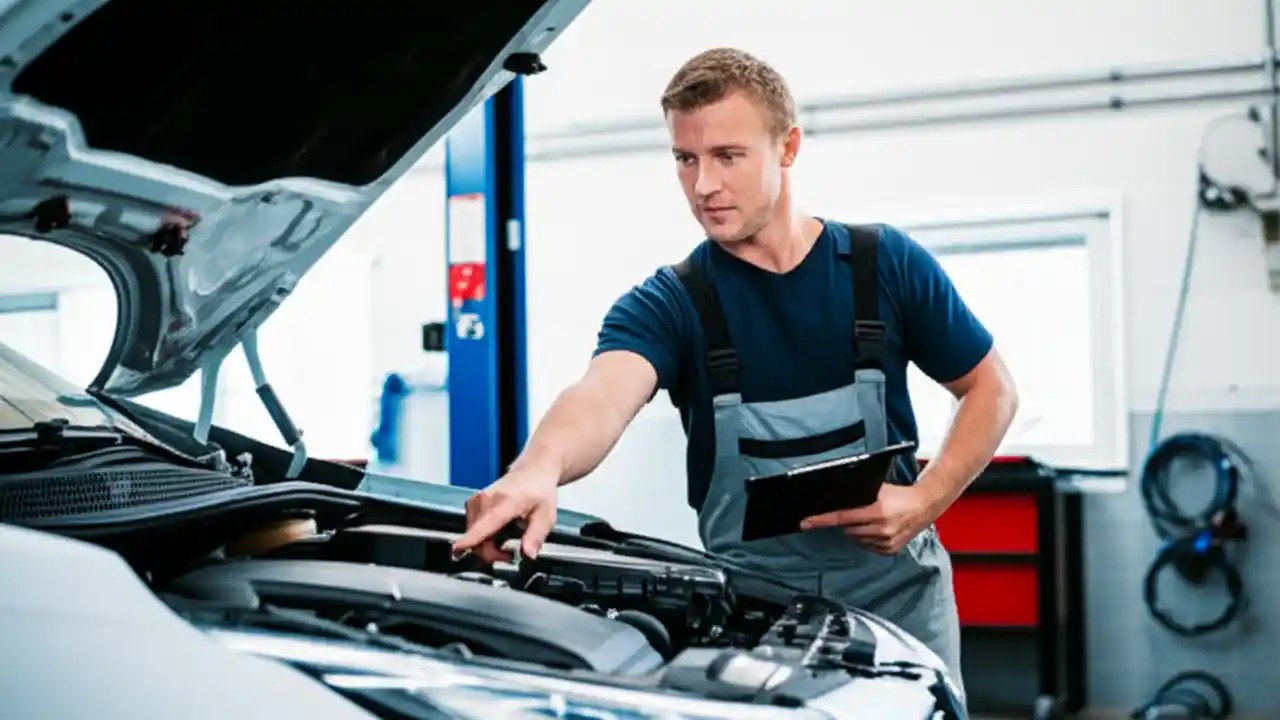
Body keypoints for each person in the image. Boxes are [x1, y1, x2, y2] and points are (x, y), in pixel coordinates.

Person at [452, 47, 1019, 695]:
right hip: (756, 616)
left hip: (903, 606)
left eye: (727, 156)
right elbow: (603, 394)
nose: (702, 186)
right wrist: (535, 470)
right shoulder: (672, 302)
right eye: (684, 160)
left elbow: (991, 389)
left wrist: (925, 499)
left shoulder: (883, 265)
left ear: (787, 148)